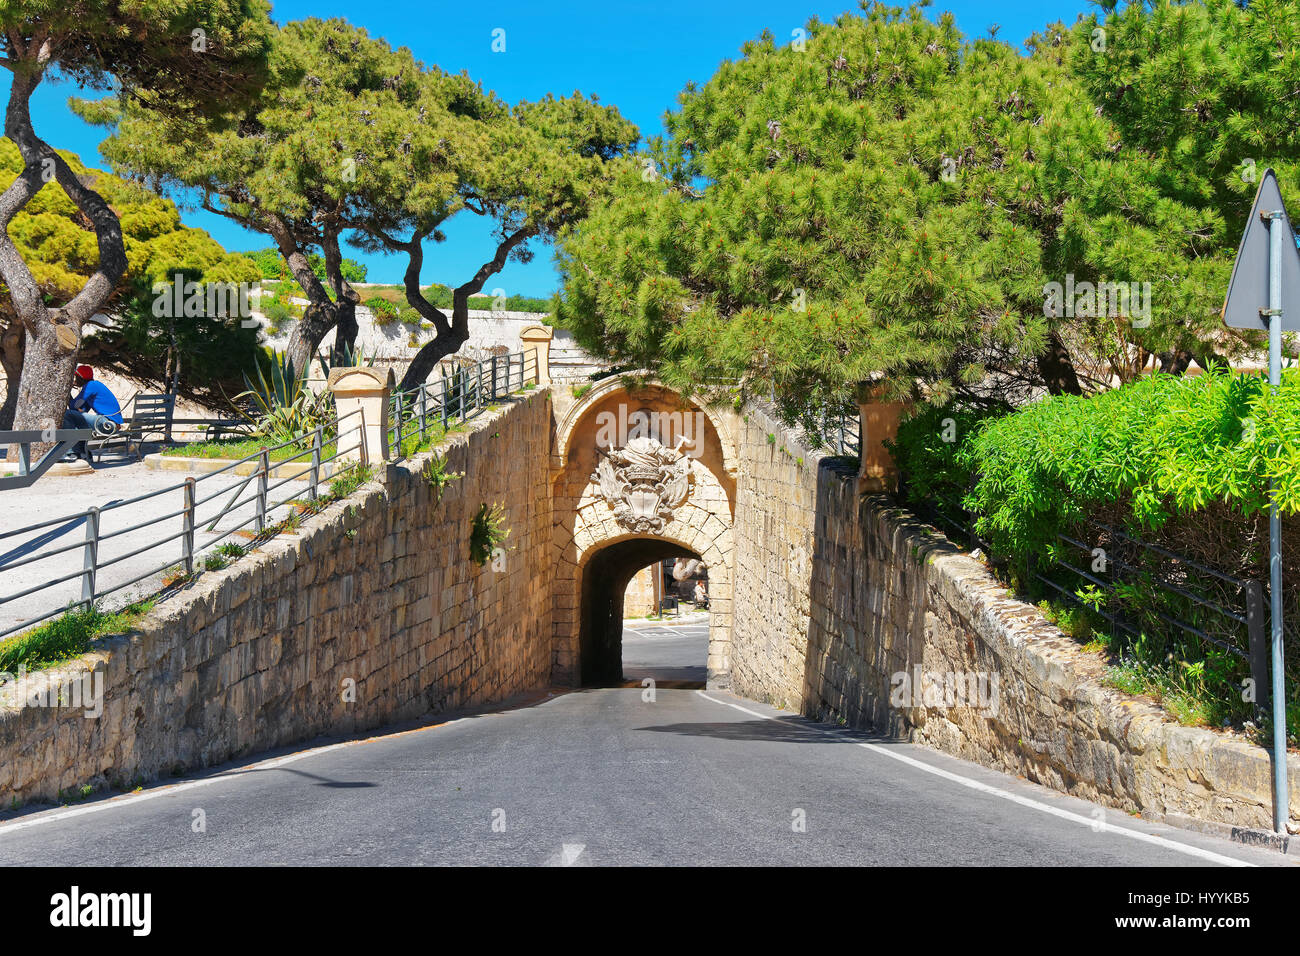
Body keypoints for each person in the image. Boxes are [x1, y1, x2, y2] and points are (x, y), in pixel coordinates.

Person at [62, 365, 123, 463]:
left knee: (67, 414)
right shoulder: (94, 385)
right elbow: (81, 409)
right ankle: (83, 453)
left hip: (107, 423)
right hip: (109, 424)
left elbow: (74, 406)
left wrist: (67, 392)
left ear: (80, 378)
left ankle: (71, 453)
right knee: (77, 421)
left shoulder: (90, 386)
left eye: (76, 378)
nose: (75, 380)